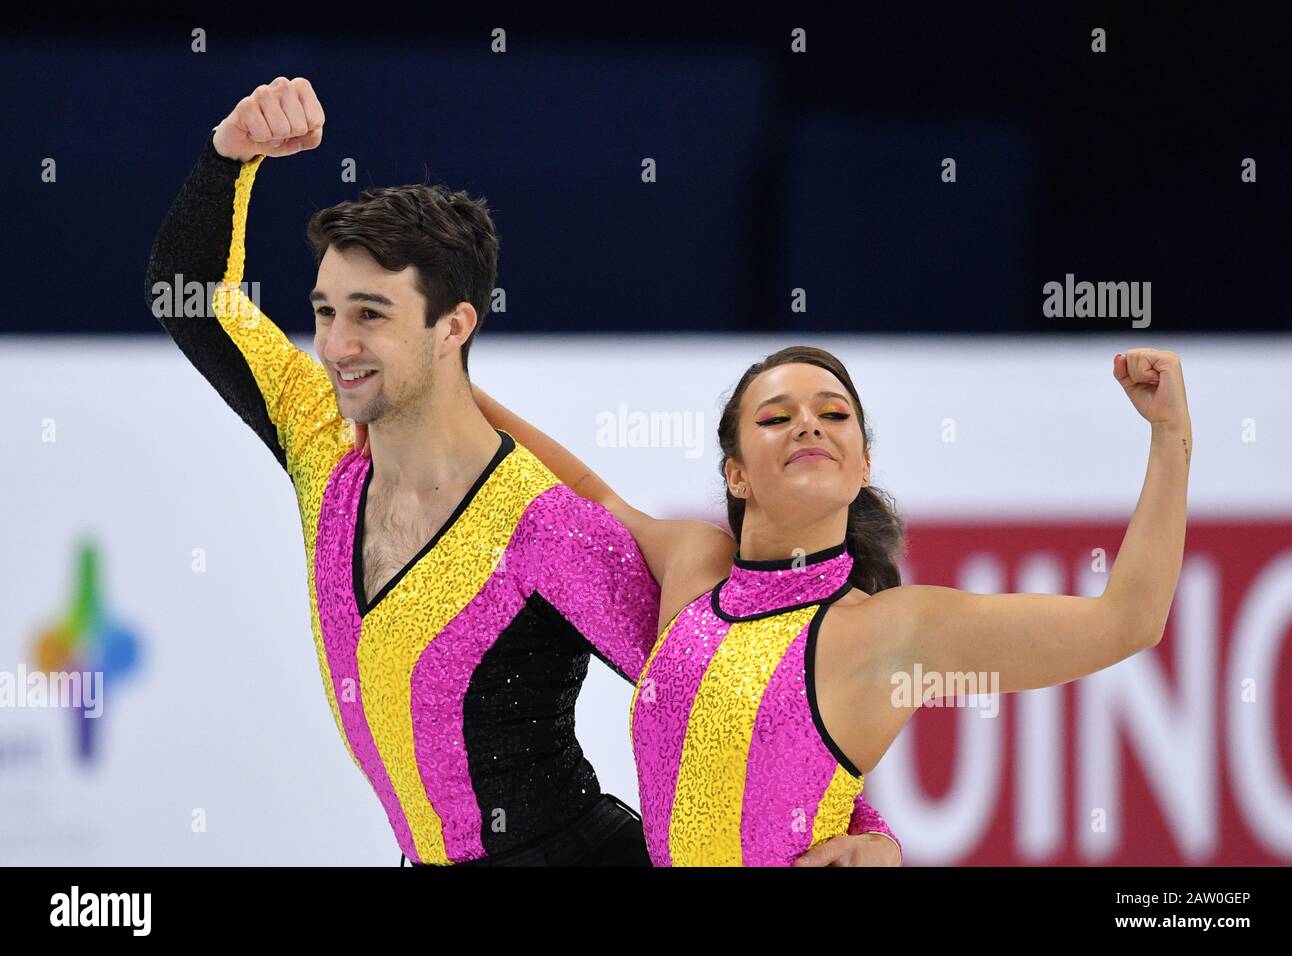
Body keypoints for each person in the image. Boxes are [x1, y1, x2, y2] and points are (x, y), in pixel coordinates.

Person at [147, 76, 899, 866]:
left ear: (454, 326)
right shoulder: (323, 442)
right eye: (327, 311)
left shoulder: (547, 532)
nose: (335, 345)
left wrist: (868, 837)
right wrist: (229, 156)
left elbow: (736, 699)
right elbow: (191, 295)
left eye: (371, 314)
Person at [447, 344, 1190, 864]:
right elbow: (586, 495)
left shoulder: (892, 635)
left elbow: (1126, 621)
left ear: (863, 463)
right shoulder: (693, 573)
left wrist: (1171, 436)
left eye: (834, 415)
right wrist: (442, 379)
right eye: (776, 417)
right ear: (735, 474)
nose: (808, 423)